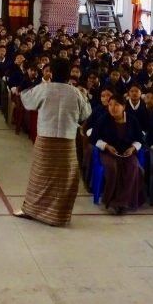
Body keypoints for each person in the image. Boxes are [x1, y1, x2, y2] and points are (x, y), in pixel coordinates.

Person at [14, 61, 92, 226]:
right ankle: (58, 216)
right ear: (68, 73)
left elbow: (26, 99)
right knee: (65, 179)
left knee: (40, 177)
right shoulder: (76, 92)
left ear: (52, 73)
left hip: (46, 139)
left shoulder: (44, 88)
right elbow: (85, 114)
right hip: (67, 140)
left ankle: (32, 210)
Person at [90, 94, 146, 215]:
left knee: (133, 167)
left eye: (116, 105)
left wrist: (132, 148)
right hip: (108, 153)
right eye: (110, 105)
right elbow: (94, 138)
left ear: (123, 107)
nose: (112, 108)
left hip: (127, 152)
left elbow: (140, 140)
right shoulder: (103, 119)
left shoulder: (132, 120)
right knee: (112, 167)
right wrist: (106, 146)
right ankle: (111, 200)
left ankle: (123, 202)